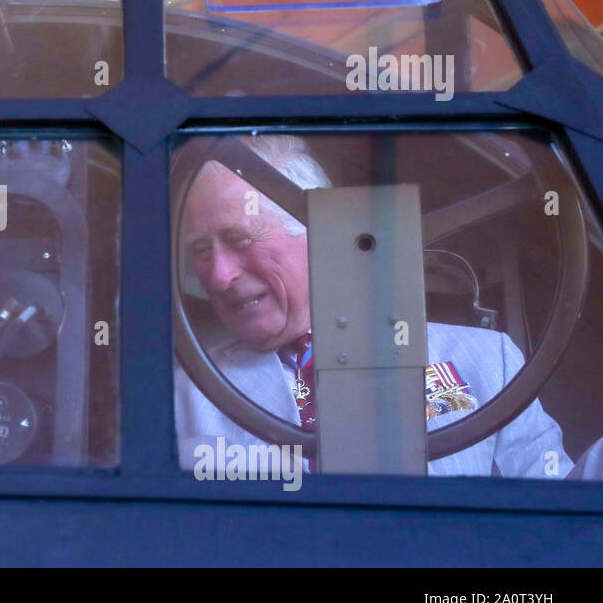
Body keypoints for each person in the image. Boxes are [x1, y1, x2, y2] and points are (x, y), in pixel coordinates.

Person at [174, 135, 573, 478]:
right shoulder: (183, 393)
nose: (218, 275)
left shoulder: (489, 362)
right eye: (201, 251)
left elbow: (566, 519)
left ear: (321, 232)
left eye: (240, 239)